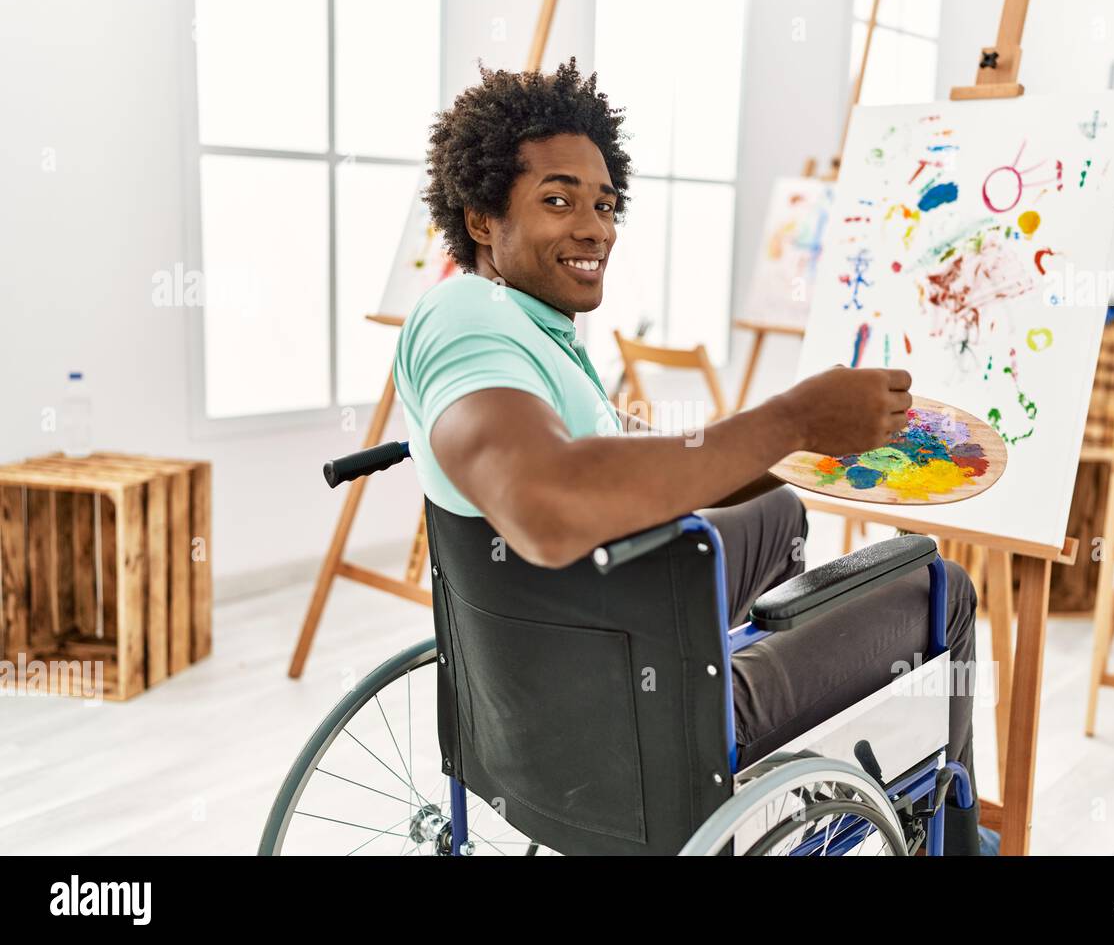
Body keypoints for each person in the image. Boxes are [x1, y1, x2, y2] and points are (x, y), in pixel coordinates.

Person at [394, 59, 991, 854]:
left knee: (775, 510)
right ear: (479, 220)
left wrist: (798, 439)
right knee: (942, 586)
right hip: (627, 726)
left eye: (604, 205)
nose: (595, 227)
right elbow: (543, 504)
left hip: (548, 694)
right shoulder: (467, 322)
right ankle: (948, 835)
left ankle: (769, 732)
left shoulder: (525, 325)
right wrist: (792, 414)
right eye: (558, 199)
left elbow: (611, 460)